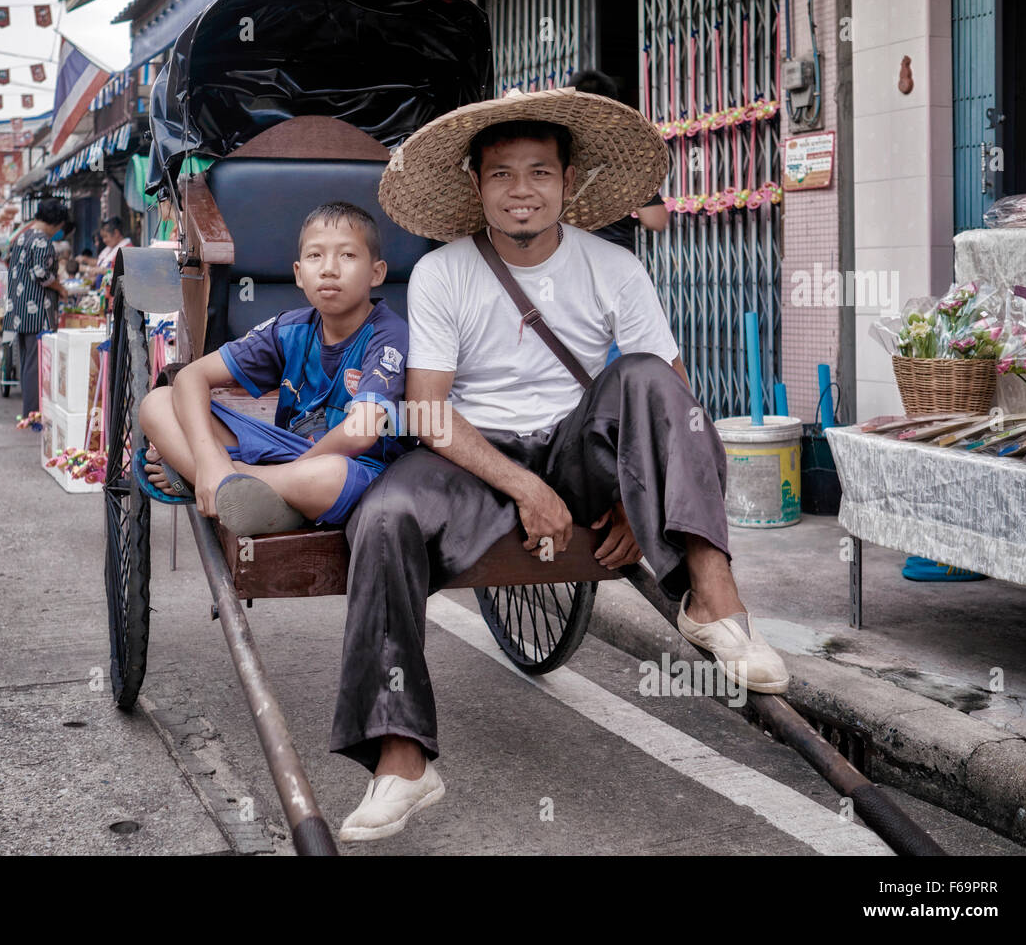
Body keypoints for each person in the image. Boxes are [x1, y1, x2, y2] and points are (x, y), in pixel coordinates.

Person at [328, 88, 790, 841]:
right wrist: (525, 486)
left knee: (646, 374)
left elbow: (673, 399)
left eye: (539, 173)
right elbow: (429, 411)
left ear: (568, 184)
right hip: (475, 460)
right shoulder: (443, 273)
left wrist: (646, 503)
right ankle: (403, 761)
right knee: (381, 517)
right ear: (476, 186)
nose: (521, 191)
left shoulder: (613, 266)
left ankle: (714, 599)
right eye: (503, 174)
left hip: (578, 447)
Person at [137, 202, 411, 535]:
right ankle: (235, 486)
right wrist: (209, 462)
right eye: (315, 256)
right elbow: (193, 376)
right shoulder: (289, 329)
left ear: (377, 273)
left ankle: (223, 483)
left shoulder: (388, 334)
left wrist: (242, 471)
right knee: (158, 402)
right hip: (283, 454)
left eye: (348, 256)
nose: (329, 269)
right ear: (298, 274)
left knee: (329, 475)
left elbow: (361, 433)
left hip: (354, 468)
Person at [569, 70, 669, 253]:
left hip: (566, 259)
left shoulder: (557, 155)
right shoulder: (625, 160)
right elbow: (656, 220)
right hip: (614, 260)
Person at [3, 198, 68, 417]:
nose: (59, 231)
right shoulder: (41, 240)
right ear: (55, 222)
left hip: (19, 311)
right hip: (37, 311)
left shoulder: (23, 236)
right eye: (59, 226)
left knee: (27, 362)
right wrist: (61, 288)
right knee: (35, 363)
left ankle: (30, 411)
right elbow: (41, 274)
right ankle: (33, 414)